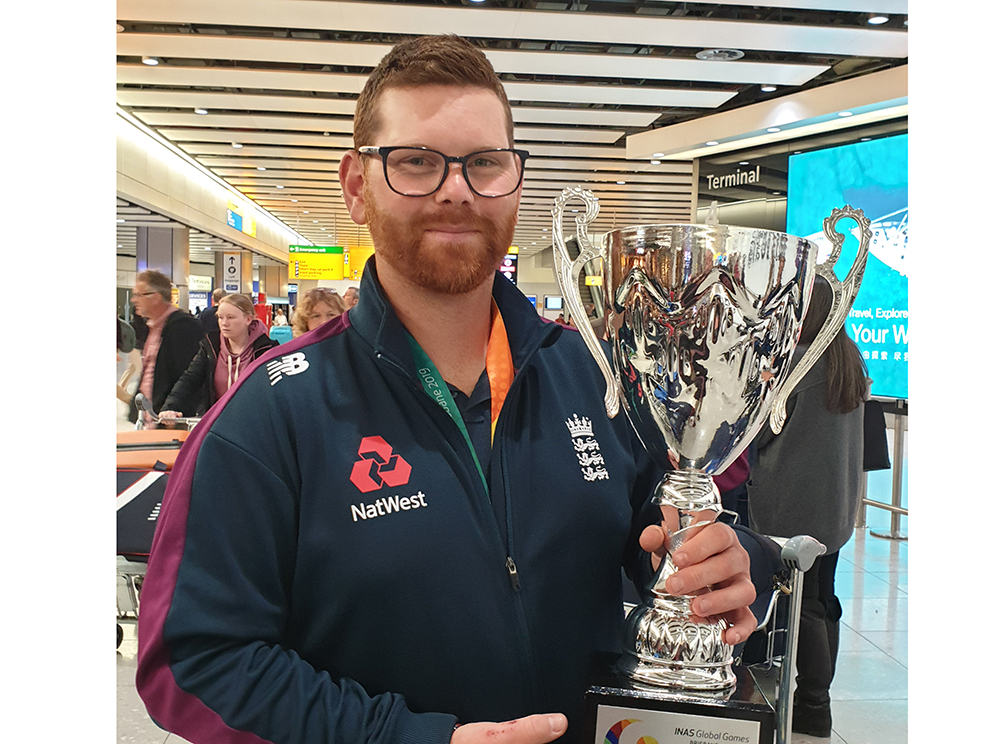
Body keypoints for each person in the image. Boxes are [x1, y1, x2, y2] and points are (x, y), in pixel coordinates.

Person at [136, 35, 771, 744]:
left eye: (485, 163)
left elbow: (687, 536)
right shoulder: (272, 412)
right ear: (356, 185)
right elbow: (192, 661)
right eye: (416, 162)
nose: (457, 189)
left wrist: (727, 567)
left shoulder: (598, 380)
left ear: (514, 180)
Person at [746, 275, 868, 738]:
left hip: (791, 505)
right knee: (823, 598)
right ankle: (817, 698)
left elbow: (761, 432)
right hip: (834, 505)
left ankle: (812, 704)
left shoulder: (795, 365)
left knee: (805, 605)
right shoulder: (847, 358)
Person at [157, 294, 279, 419]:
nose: (224, 323)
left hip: (254, 423)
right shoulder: (210, 346)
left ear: (248, 319)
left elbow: (277, 392)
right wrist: (171, 407)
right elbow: (190, 379)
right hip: (217, 423)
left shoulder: (267, 350)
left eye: (231, 317)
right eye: (220, 317)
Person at [129, 269, 204, 426]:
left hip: (169, 420)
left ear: (155, 297)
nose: (133, 300)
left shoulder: (183, 328)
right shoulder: (152, 327)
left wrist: (172, 410)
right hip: (150, 420)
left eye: (138, 295)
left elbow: (189, 378)